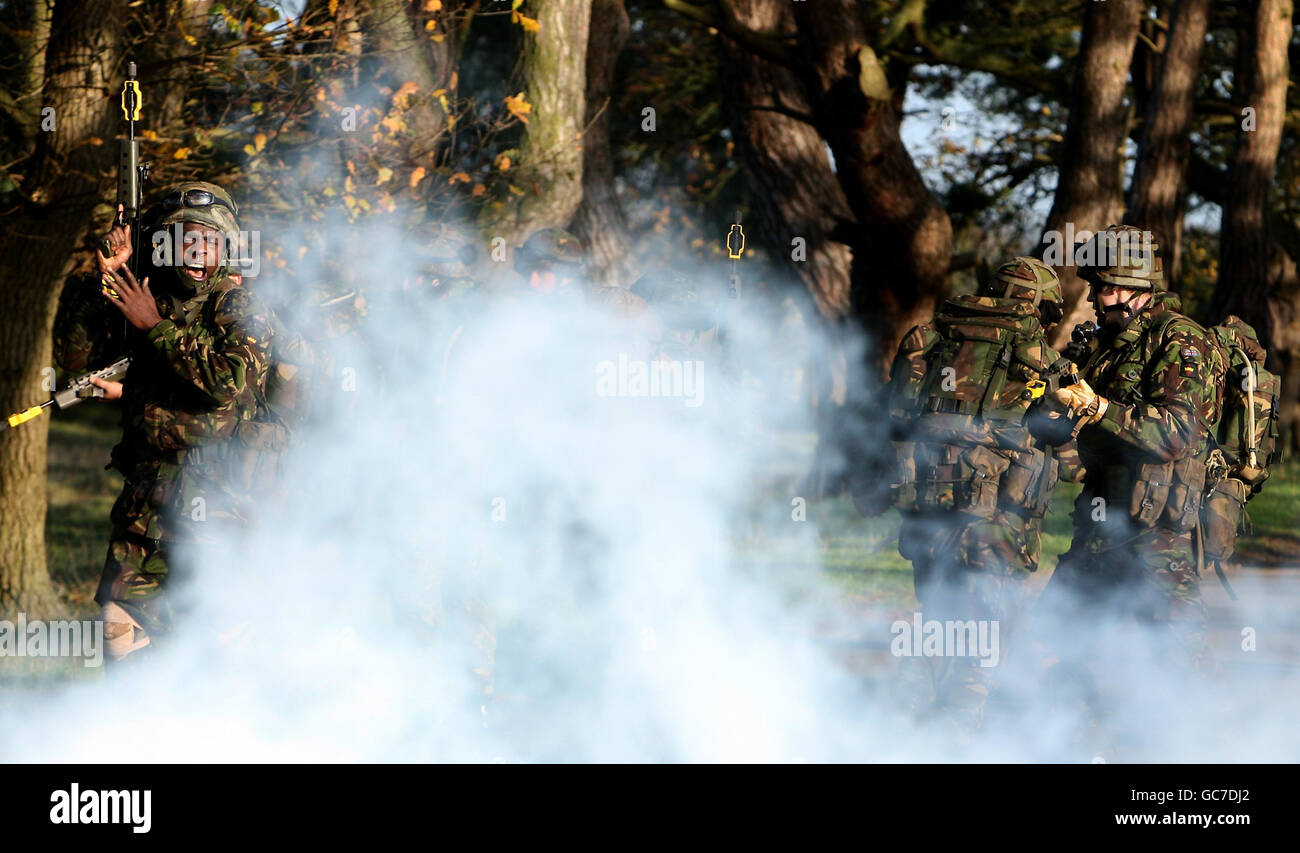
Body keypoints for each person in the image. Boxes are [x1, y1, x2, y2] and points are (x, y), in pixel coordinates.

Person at [54, 180, 274, 664]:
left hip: (222, 513)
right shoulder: (147, 294)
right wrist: (106, 279)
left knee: (218, 657)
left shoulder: (238, 306)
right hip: (147, 510)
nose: (197, 254)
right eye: (186, 241)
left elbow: (226, 385)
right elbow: (74, 356)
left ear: (227, 248)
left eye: (210, 242)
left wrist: (154, 328)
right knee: (116, 636)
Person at [874, 257, 1071, 725]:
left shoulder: (928, 339)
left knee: (941, 623)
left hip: (927, 512)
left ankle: (924, 729)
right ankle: (959, 737)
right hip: (999, 523)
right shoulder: (1044, 361)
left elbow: (896, 417)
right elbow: (1065, 444)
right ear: (1039, 306)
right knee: (983, 643)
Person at [1036, 226, 1221, 689]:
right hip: (1099, 525)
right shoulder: (1109, 344)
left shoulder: (1180, 342)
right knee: (1056, 642)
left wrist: (1100, 408)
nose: (1094, 298)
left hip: (1158, 539)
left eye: (1101, 286)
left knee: (1169, 669)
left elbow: (1176, 435)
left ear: (1133, 287)